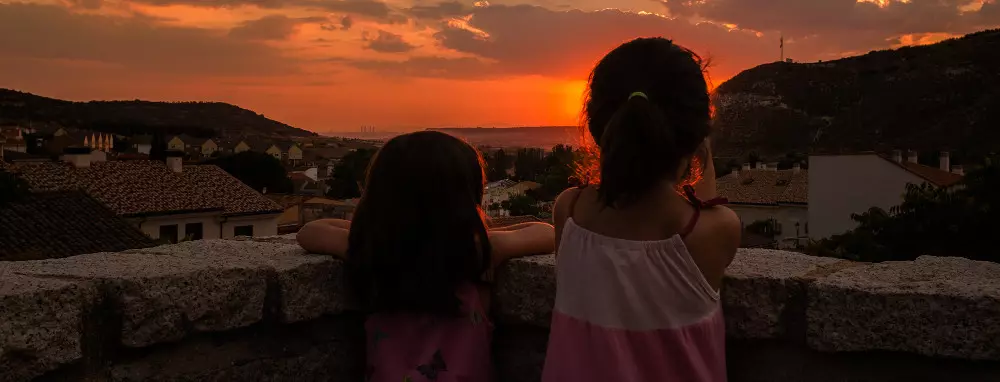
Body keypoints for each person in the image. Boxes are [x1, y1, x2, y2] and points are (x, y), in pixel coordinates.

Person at [542, 37, 741, 382]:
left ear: (599, 128)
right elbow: (700, 206)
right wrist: (702, 148)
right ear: (694, 135)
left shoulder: (569, 210)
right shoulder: (712, 231)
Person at [296, 131, 555, 382]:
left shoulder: (375, 250)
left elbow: (310, 232)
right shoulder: (478, 251)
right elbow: (546, 233)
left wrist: (376, 230)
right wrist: (482, 235)